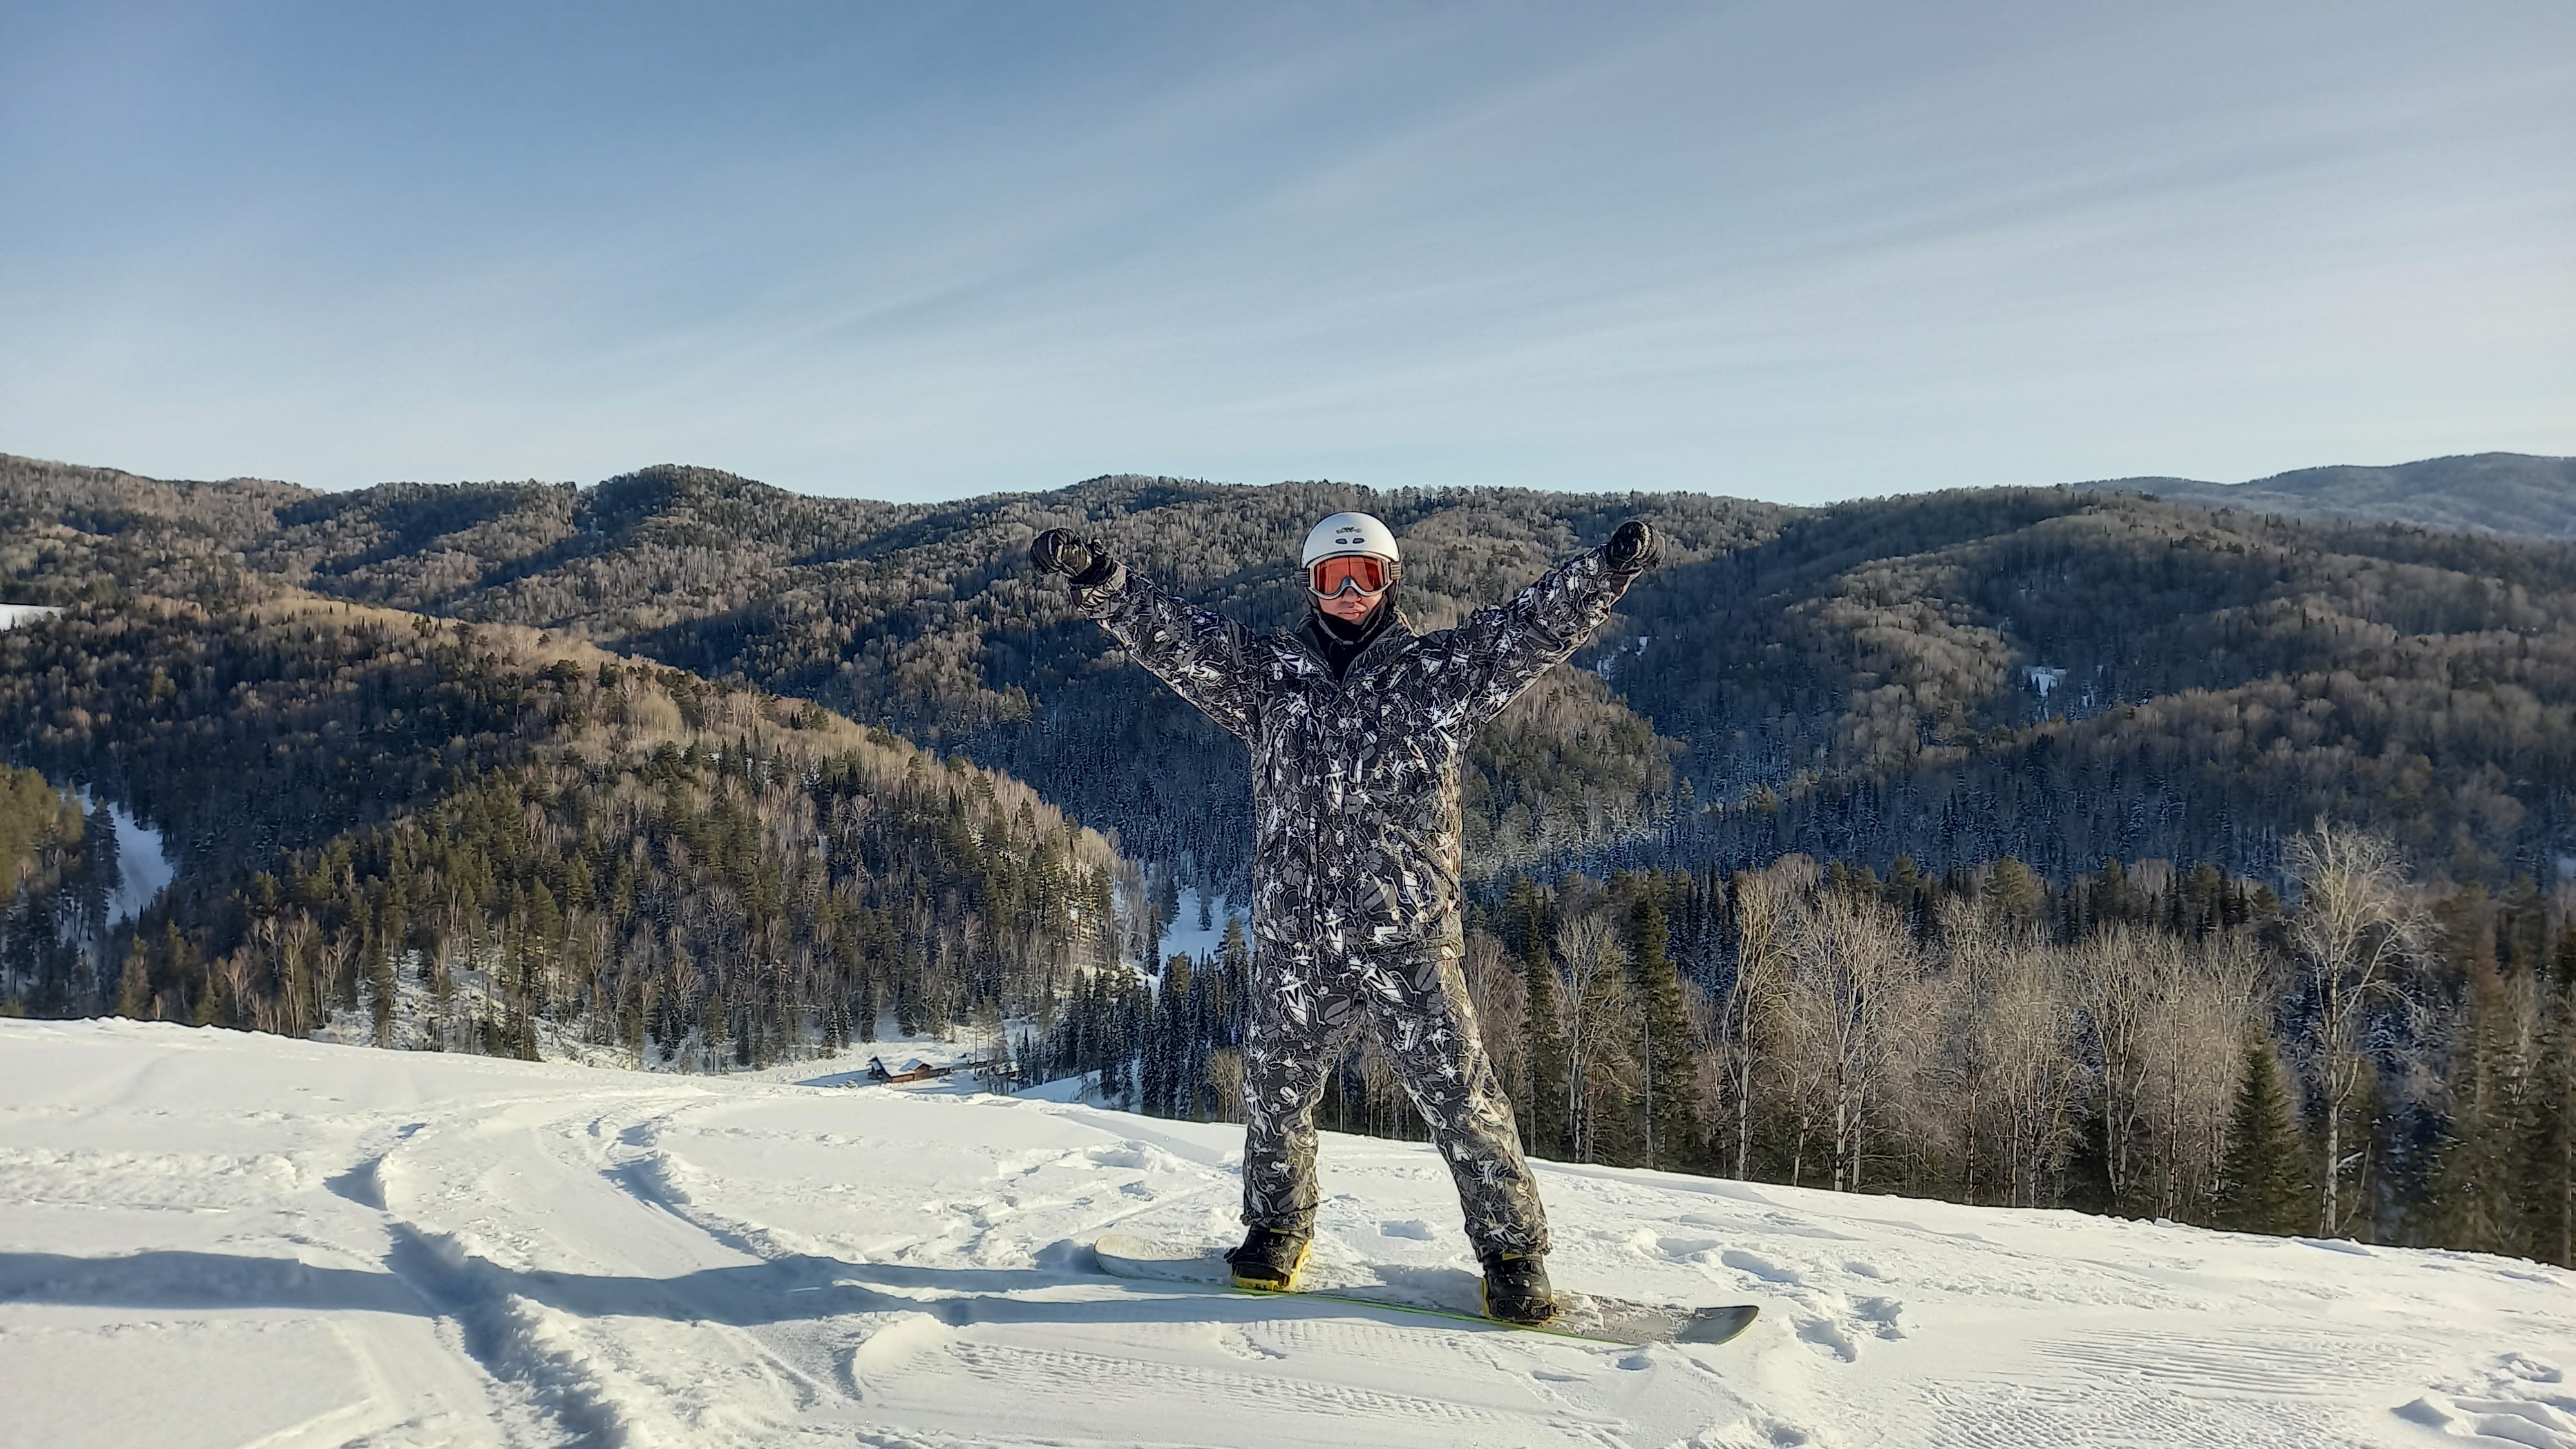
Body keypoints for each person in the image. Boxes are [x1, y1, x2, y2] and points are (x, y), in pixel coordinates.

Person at [1029, 509, 1660, 1324]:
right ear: (1312, 585)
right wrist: (1100, 580)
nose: (1351, 592)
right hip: (1298, 940)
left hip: (1407, 939)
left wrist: (1604, 573)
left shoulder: (1437, 677)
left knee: (1461, 1097)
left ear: (1390, 581)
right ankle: (1276, 1228)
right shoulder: (1267, 680)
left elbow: (1529, 630)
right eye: (1334, 577)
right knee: (1274, 1093)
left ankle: (1512, 1252)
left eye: (1366, 575)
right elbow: (1174, 639)